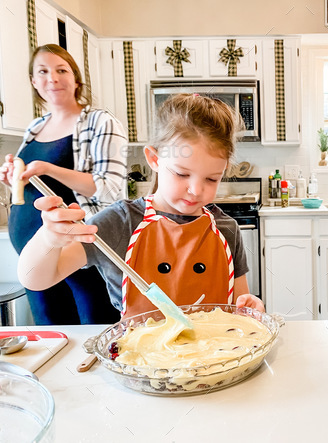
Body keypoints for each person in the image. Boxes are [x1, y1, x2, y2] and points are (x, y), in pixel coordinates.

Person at [17, 93, 264, 318]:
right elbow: (35, 279)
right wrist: (49, 239)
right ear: (154, 159)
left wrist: (250, 307)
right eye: (181, 174)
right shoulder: (118, 223)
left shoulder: (226, 229)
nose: (196, 190)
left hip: (215, 360)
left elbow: (238, 305)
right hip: (140, 362)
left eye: (212, 179)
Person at [0, 44, 126, 325]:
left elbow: (108, 187)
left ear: (76, 79)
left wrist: (48, 168)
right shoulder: (35, 127)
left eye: (61, 70)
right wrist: (12, 178)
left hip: (80, 254)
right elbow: (30, 188)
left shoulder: (100, 122)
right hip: (35, 254)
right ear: (34, 81)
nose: (52, 78)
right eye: (42, 71)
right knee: (51, 334)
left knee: (94, 329)